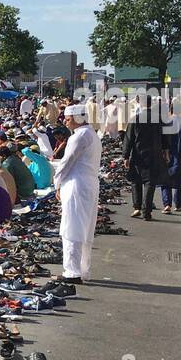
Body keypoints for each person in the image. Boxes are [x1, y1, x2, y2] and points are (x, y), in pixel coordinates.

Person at [51, 103, 101, 284]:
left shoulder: (80, 136)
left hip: (77, 185)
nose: (66, 121)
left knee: (72, 229)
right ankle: (82, 270)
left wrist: (56, 183)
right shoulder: (92, 135)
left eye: (69, 118)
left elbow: (67, 162)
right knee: (85, 229)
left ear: (79, 118)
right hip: (88, 185)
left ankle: (72, 272)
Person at [123, 107, 169, 221]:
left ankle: (137, 207)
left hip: (138, 156)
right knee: (150, 183)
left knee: (136, 181)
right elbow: (165, 139)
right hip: (154, 156)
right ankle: (146, 212)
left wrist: (125, 156)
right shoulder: (159, 120)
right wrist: (166, 154)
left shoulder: (135, 119)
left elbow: (128, 139)